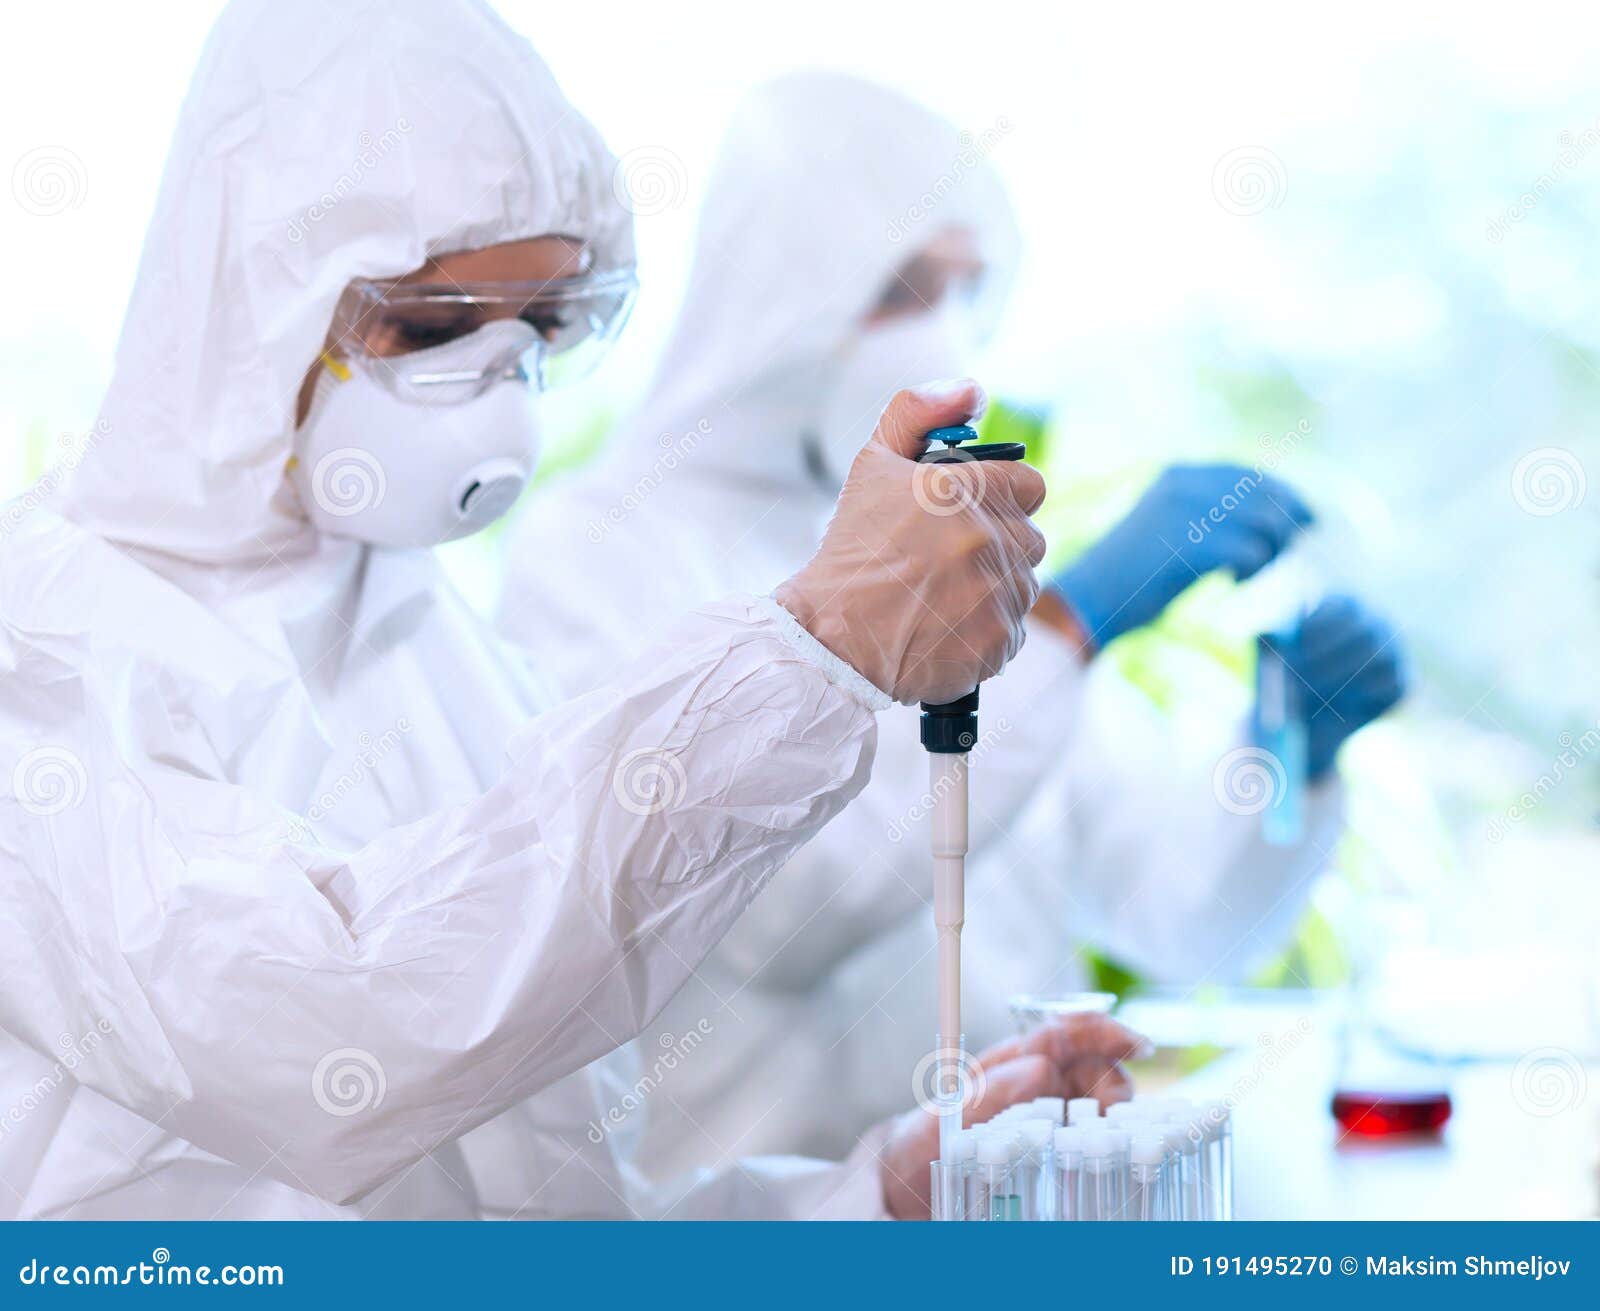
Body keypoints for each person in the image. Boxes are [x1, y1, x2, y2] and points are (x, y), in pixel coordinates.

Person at [0, 1, 1085, 1219]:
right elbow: (339, 1046)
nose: (498, 393)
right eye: (428, 326)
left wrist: (865, 1199)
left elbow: (551, 1214)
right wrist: (813, 651)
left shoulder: (435, 640)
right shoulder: (48, 649)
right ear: (248, 298)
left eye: (541, 329)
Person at [497, 72, 1406, 1175]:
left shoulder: (961, 547)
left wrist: (1288, 755)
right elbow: (779, 915)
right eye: (900, 288)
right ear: (772, 304)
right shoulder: (602, 551)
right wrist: (1069, 624)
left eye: (971, 290)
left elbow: (1178, 918)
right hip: (763, 1226)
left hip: (1002, 1206)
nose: (947, 334)